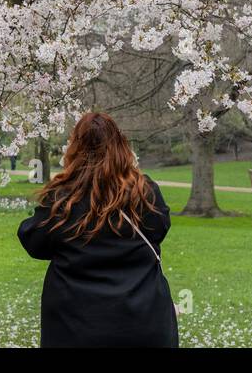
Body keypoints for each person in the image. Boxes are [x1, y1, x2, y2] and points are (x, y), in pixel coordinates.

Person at [17, 111, 178, 348]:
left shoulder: (62, 198)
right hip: (142, 323)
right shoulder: (144, 192)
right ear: (121, 145)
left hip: (75, 327)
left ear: (74, 148)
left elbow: (34, 241)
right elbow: (159, 228)